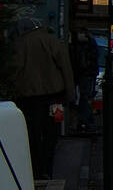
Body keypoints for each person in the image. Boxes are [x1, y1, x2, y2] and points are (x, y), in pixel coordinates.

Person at [9, 17, 74, 180]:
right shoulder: (53, 41)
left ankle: (37, 170)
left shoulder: (20, 43)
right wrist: (69, 94)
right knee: (51, 134)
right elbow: (66, 68)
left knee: (33, 134)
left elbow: (14, 69)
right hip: (55, 97)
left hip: (29, 98)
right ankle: (48, 168)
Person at [70, 28, 99, 134]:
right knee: (86, 98)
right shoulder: (88, 43)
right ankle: (86, 122)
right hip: (87, 73)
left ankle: (85, 122)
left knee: (85, 98)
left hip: (84, 73)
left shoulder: (83, 44)